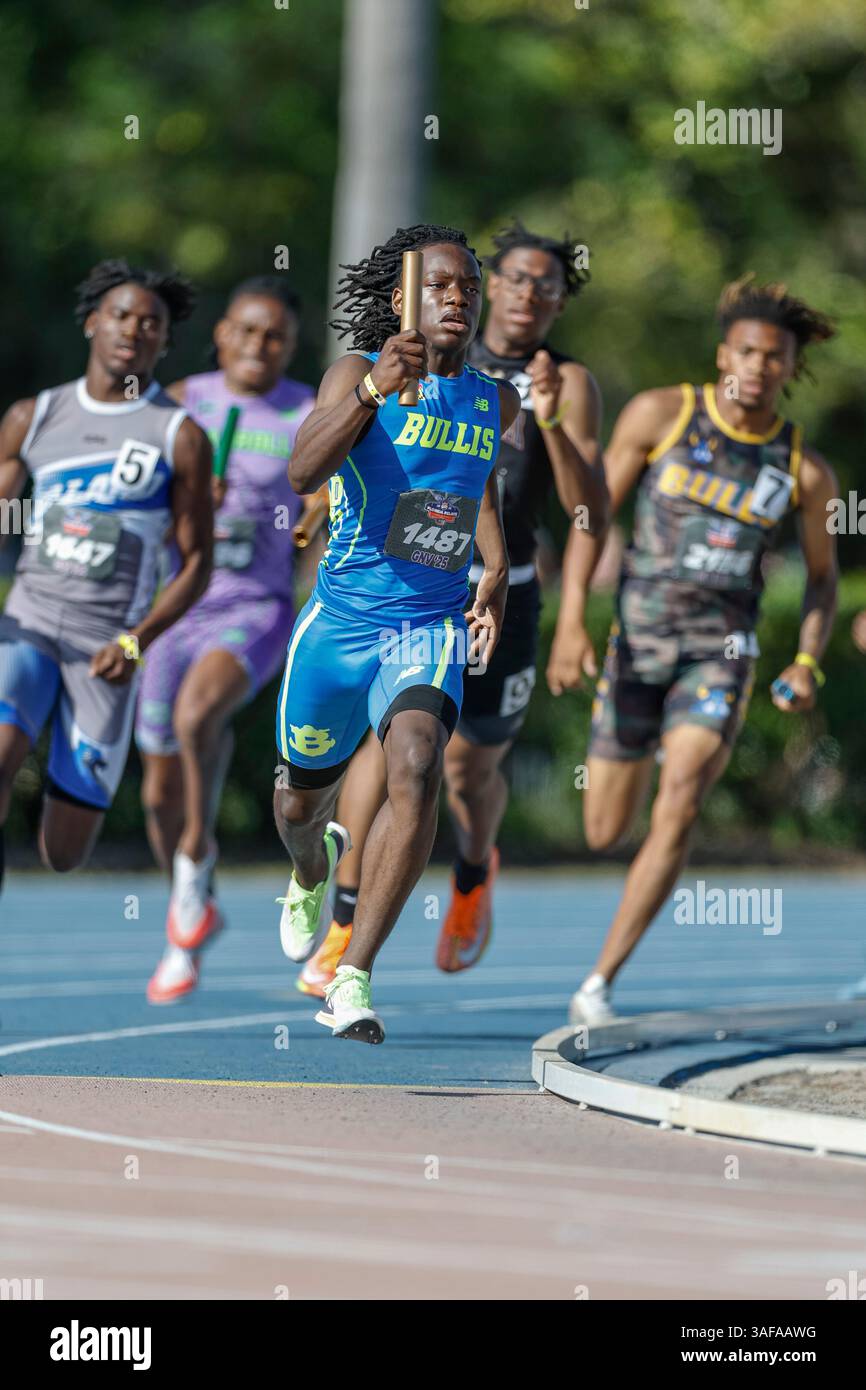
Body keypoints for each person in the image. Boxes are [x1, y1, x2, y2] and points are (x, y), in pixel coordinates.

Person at [296, 219, 608, 998]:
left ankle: (471, 873)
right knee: (397, 754)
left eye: (550, 284)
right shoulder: (401, 355)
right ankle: (344, 920)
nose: (528, 293)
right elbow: (332, 463)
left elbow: (588, 511)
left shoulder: (544, 385)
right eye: (514, 279)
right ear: (487, 284)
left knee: (463, 770)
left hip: (502, 594)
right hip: (401, 600)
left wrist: (551, 422)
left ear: (560, 302)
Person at [564, 275, 838, 1023]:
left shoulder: (804, 471)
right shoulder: (662, 414)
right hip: (636, 645)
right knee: (603, 829)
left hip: (721, 651)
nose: (757, 366)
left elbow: (821, 580)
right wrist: (570, 625)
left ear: (789, 368)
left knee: (680, 798)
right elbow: (592, 515)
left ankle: (599, 983)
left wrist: (806, 660)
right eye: (746, 351)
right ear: (725, 355)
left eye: (773, 357)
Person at [273, 223, 520, 1043]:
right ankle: (311, 868)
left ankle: (353, 975)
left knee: (416, 766)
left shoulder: (495, 398)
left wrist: (494, 565)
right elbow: (303, 471)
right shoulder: (355, 372)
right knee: (298, 803)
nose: (459, 300)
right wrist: (374, 391)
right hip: (339, 626)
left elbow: (471, 484)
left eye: (469, 288)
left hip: (428, 624)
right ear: (401, 300)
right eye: (442, 286)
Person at [0, 259, 212, 891]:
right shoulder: (32, 417)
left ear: (165, 342)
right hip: (31, 623)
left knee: (65, 853)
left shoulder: (180, 436)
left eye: (152, 323)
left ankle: (61, 781)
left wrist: (136, 640)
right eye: (121, 315)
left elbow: (196, 564)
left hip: (107, 647)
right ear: (93, 322)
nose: (134, 330)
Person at [136, 277, 315, 1003]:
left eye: (273, 336)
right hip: (177, 605)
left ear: (290, 346)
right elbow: (138, 492)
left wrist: (309, 530)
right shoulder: (186, 401)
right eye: (245, 331)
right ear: (221, 335)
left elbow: (325, 504)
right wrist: (185, 497)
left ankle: (193, 858)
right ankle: (192, 885)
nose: (257, 345)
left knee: (196, 718)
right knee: (156, 786)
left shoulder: (307, 411)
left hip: (256, 604)